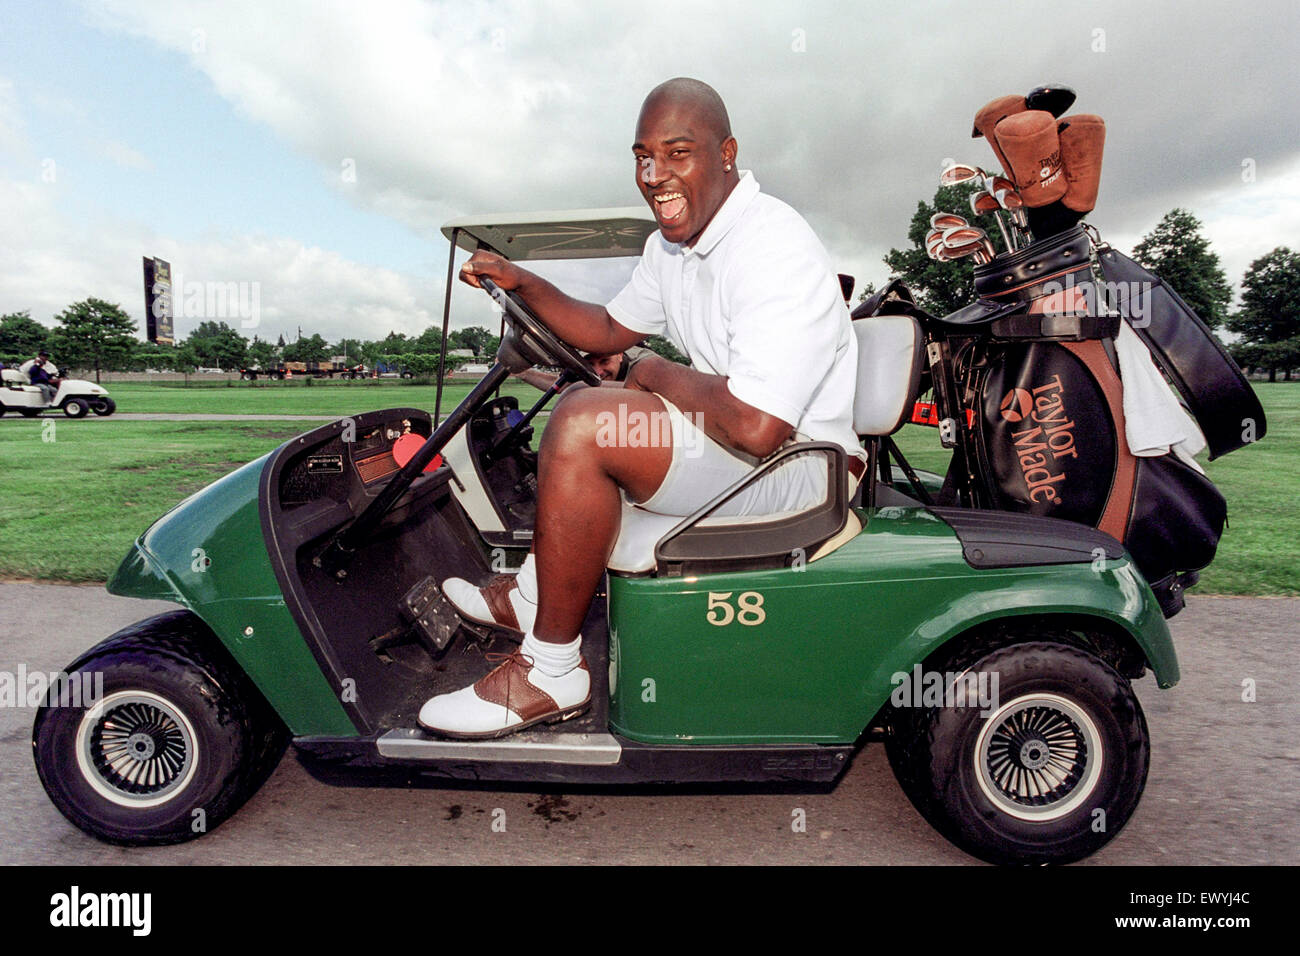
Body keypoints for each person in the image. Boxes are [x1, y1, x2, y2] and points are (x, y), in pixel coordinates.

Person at [418, 77, 862, 738]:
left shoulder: (773, 246)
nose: (654, 174)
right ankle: (536, 595)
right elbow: (604, 329)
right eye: (642, 156)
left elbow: (756, 425)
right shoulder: (673, 248)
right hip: (741, 448)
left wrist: (650, 371)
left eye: (676, 152)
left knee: (589, 421)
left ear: (727, 152)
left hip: (804, 468)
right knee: (594, 404)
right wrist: (523, 280)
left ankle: (552, 671)